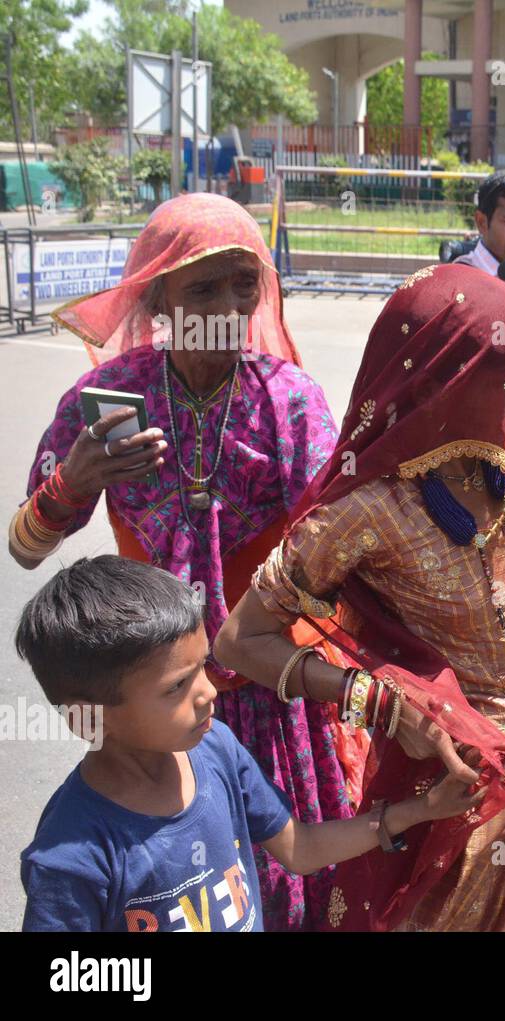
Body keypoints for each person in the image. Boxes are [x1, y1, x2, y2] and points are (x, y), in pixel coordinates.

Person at [11, 192, 356, 931]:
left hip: (269, 692)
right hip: (150, 697)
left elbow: (345, 551)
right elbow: (24, 547)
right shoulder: (105, 401)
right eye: (203, 287)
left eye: (245, 284)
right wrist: (70, 485)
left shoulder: (289, 402)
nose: (229, 305)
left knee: (287, 893)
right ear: (156, 297)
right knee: (163, 894)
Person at [216, 264, 505, 931]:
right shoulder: (368, 509)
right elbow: (239, 642)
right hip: (451, 790)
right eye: (489, 370)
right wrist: (378, 701)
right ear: (426, 372)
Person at [18, 556, 479, 932]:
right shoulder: (70, 854)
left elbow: (301, 849)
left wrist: (419, 810)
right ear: (89, 717)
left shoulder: (216, 750)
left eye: (203, 667)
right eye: (177, 687)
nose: (209, 691)